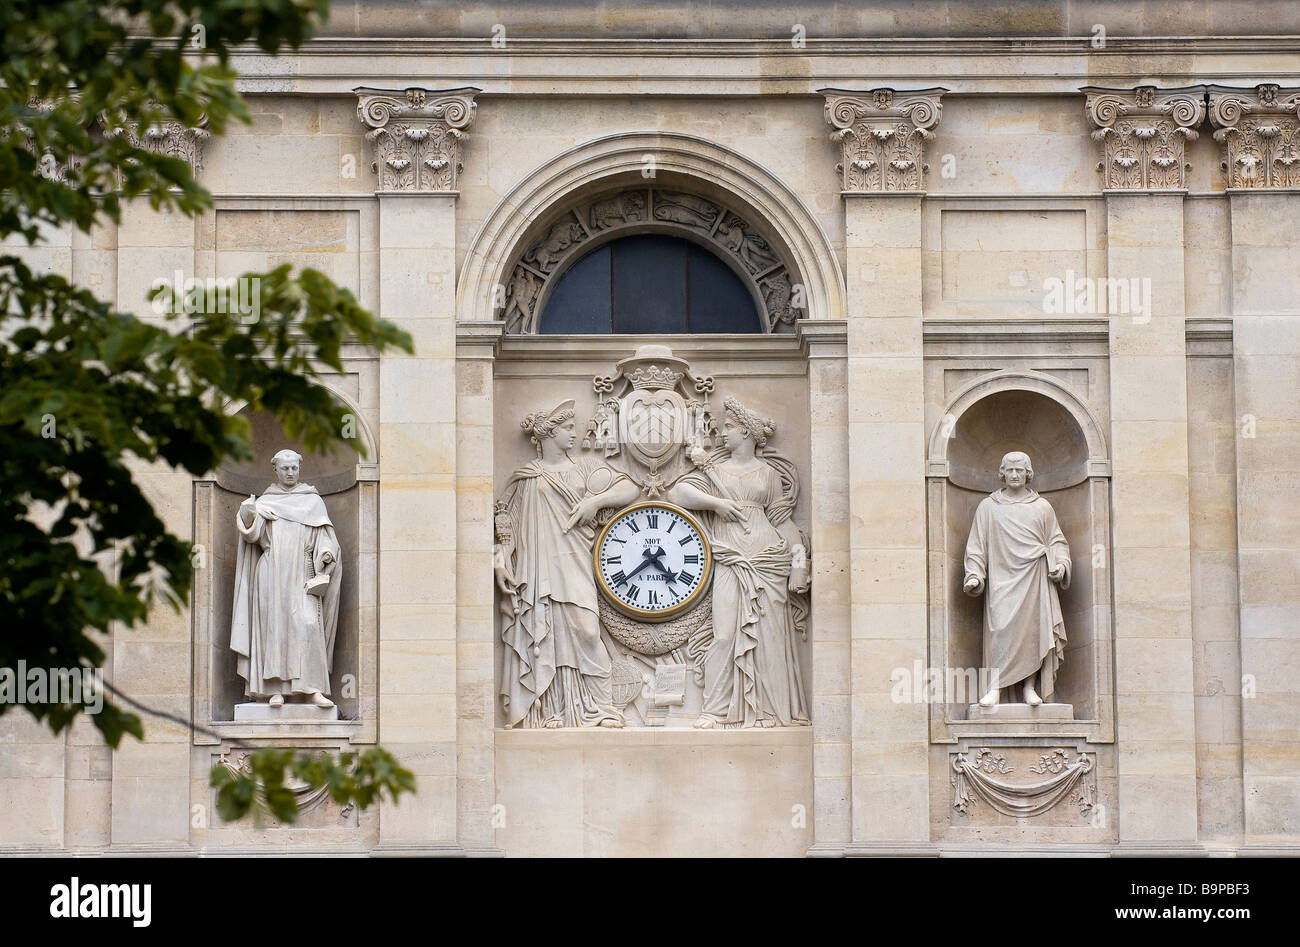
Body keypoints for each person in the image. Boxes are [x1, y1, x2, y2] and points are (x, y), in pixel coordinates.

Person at [495, 400, 639, 728]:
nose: (574, 434)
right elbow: (505, 524)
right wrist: (501, 564)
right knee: (544, 634)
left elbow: (629, 487)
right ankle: (550, 710)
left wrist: (595, 502)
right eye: (567, 428)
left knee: (587, 631)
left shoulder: (586, 467)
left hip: (576, 560)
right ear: (548, 433)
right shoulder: (526, 478)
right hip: (538, 567)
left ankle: (600, 708)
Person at [670, 396, 811, 728]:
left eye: (730, 428)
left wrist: (799, 561)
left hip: (766, 557)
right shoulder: (714, 471)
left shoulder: (768, 474)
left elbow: (781, 520)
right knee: (723, 633)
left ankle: (770, 710)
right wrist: (716, 504)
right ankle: (716, 709)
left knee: (770, 637)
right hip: (730, 558)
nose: (723, 434)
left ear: (746, 433)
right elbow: (678, 493)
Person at [230, 449, 340, 709]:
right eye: (285, 468)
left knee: (307, 625)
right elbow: (251, 535)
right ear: (275, 470)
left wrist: (325, 553)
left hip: (303, 572)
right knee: (274, 628)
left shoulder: (313, 501)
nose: (290, 473)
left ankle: (311, 689)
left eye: (294, 468)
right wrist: (248, 513)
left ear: (299, 468)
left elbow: (326, 537)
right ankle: (273, 689)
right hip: (271, 572)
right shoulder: (266, 502)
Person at [963, 451, 1071, 708]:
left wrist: (1060, 564)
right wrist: (975, 574)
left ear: (1028, 474)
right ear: (1002, 472)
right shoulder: (988, 507)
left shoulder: (1042, 507)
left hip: (1034, 577)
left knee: (1033, 632)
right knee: (999, 630)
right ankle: (995, 688)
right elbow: (976, 545)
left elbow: (1056, 541)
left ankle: (1029, 687)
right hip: (1001, 581)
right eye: (1009, 470)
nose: (1014, 475)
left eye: (1019, 470)